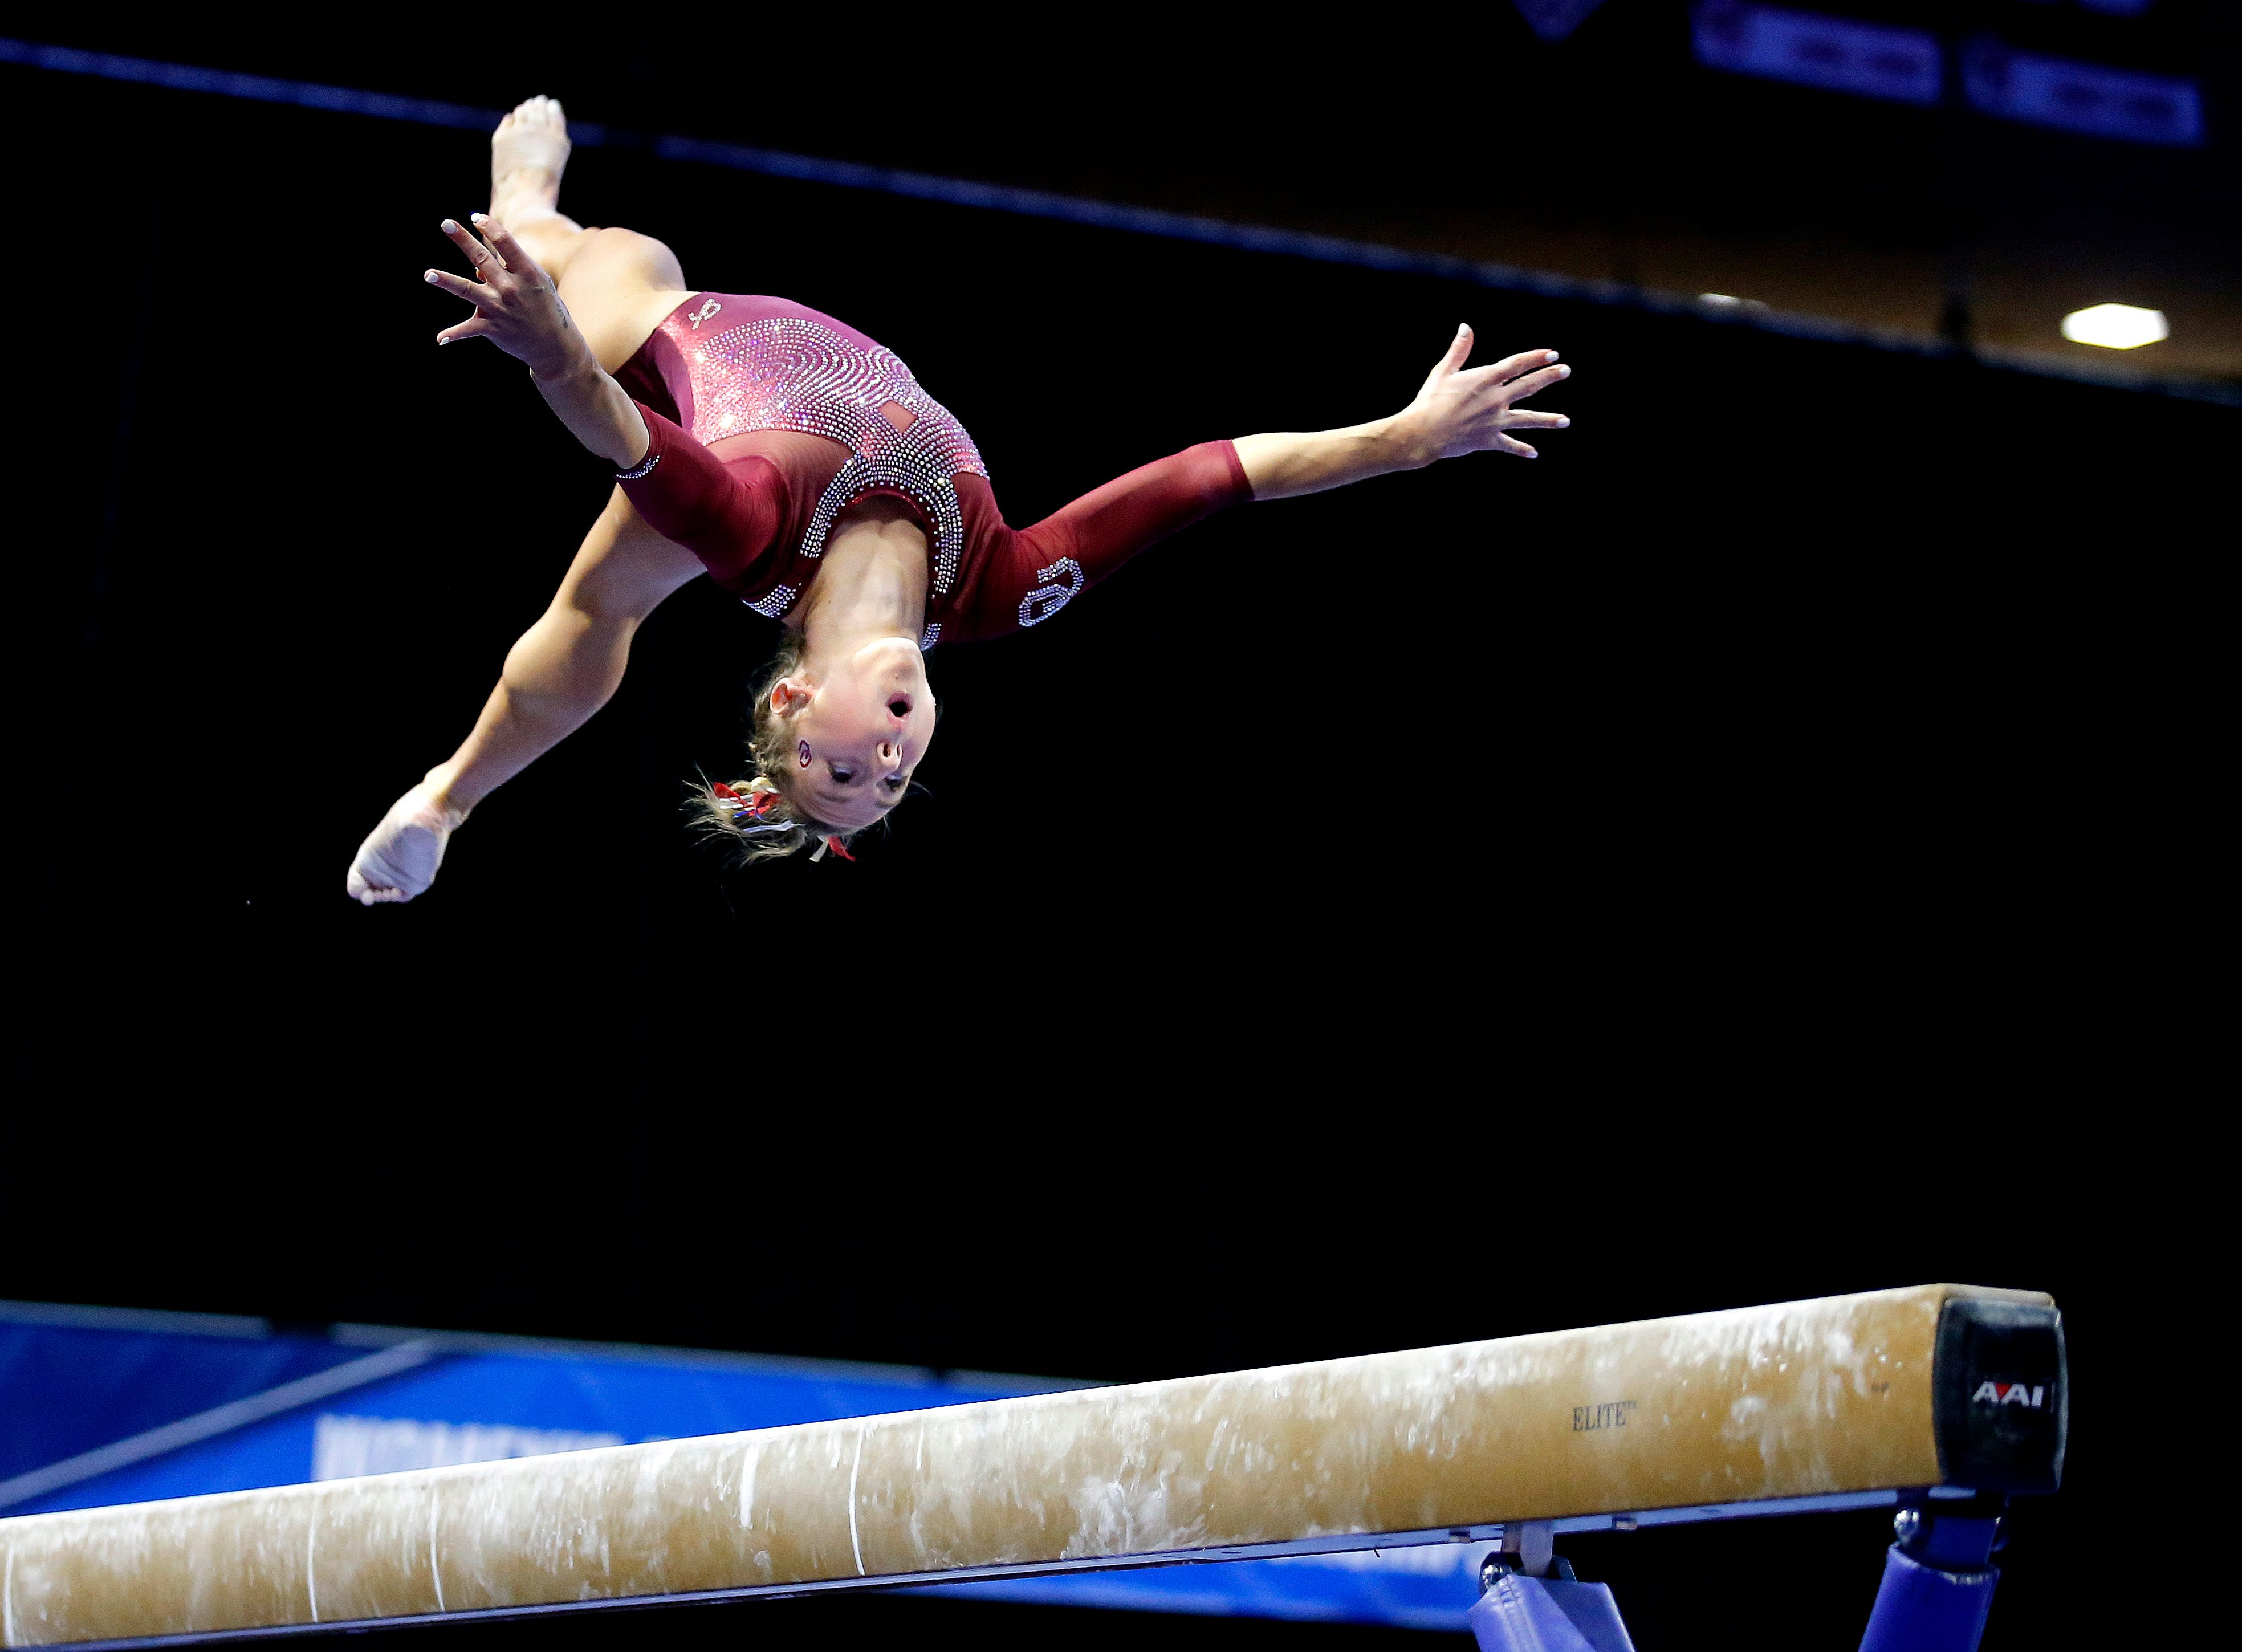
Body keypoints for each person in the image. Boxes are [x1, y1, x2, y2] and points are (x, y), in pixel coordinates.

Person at [347, 97, 1572, 902]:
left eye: (845, 766)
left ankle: (444, 795)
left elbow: (618, 429)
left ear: (793, 695)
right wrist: (1403, 442)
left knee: (611, 277)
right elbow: (1208, 477)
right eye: (891, 778)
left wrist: (553, 347)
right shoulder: (997, 591)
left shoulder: (750, 522)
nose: (883, 758)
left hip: (677, 353)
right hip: (764, 416)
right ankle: (447, 807)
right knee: (613, 577)